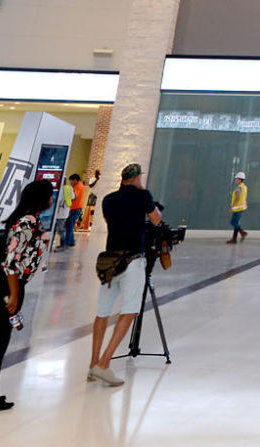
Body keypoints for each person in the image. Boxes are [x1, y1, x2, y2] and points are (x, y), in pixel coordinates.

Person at [0, 178, 54, 413]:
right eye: (50, 195)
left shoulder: (22, 219)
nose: (52, 199)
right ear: (42, 199)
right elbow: (11, 262)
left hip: (2, 283)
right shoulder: (28, 222)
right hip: (7, 285)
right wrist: (14, 294)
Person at [87, 163, 165, 386]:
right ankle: (104, 364)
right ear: (137, 177)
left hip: (109, 261)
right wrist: (147, 201)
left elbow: (110, 222)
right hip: (132, 261)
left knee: (102, 312)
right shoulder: (143, 196)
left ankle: (93, 364)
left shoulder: (108, 200)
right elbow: (156, 219)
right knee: (130, 310)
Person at [61, 173, 85, 248]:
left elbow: (74, 197)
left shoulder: (78, 186)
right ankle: (71, 242)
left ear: (75, 180)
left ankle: (68, 243)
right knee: (69, 226)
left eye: (71, 181)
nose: (70, 183)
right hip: (76, 209)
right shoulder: (80, 185)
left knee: (69, 227)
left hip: (75, 209)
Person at [227, 171, 248, 243]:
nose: (236, 180)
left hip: (237, 208)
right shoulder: (244, 187)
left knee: (233, 222)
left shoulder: (239, 188)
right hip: (242, 208)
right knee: (236, 222)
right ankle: (234, 239)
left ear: (240, 179)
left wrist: (232, 207)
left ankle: (242, 233)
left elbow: (237, 198)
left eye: (236, 179)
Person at [80, 168, 102, 232]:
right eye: (97, 173)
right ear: (95, 173)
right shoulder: (92, 179)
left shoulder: (101, 179)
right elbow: (90, 186)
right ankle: (85, 223)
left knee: (96, 210)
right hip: (93, 194)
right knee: (89, 208)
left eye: (99, 173)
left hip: (99, 195)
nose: (98, 174)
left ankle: (93, 224)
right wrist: (96, 180)